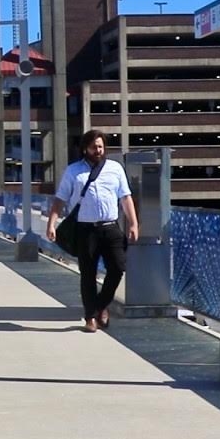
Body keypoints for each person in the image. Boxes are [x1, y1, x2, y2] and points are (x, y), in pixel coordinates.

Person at [46, 130, 139, 333]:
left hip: (111, 227)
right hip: (85, 230)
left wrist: (133, 224)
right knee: (87, 274)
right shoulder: (73, 171)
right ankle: (90, 317)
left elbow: (125, 197)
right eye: (93, 147)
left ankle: (100, 306)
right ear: (85, 149)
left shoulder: (115, 169)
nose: (98, 150)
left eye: (100, 146)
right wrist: (51, 223)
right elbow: (60, 199)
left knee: (117, 268)